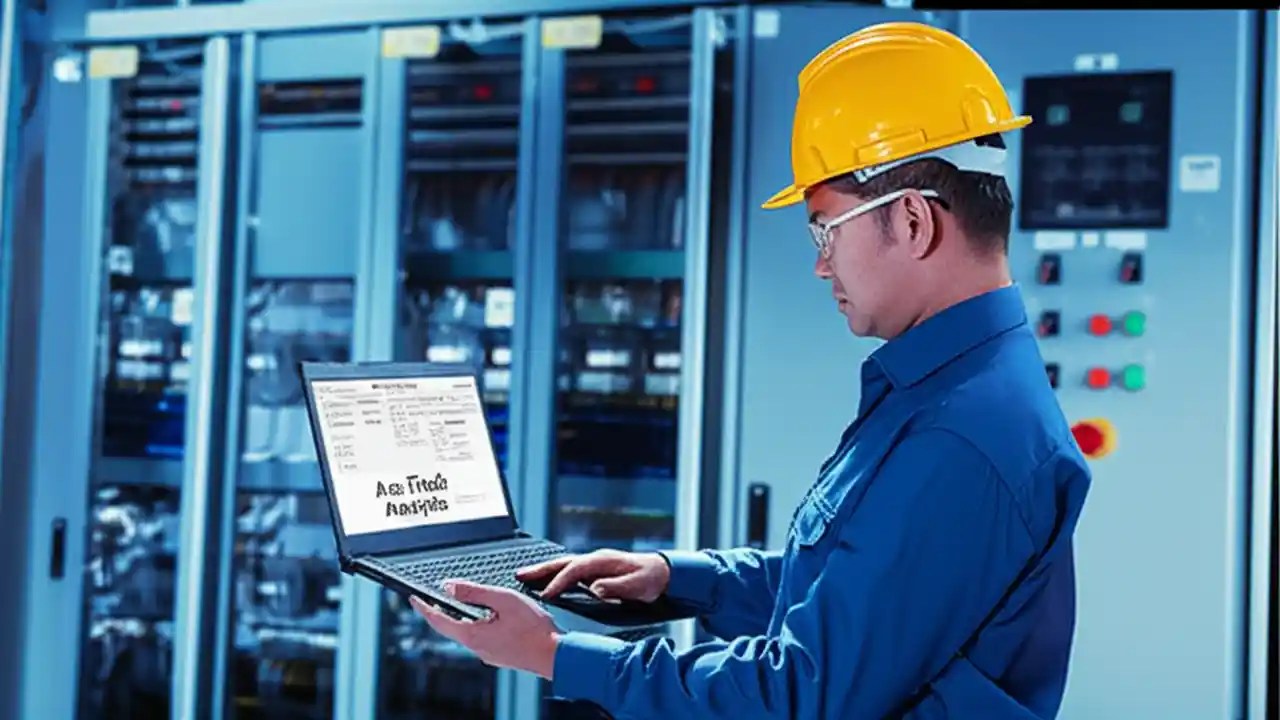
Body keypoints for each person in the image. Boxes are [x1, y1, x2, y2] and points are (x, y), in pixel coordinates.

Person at [411, 21, 1092, 719]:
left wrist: (555, 654)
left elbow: (799, 693)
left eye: (824, 228)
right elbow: (853, 592)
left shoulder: (961, 434)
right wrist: (673, 579)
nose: (821, 262)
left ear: (914, 221)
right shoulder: (953, 389)